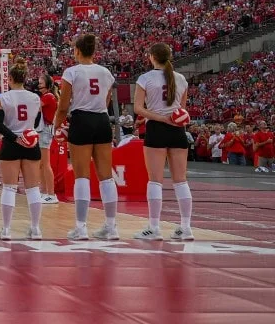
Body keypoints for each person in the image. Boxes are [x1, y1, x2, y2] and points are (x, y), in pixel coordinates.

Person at [53, 34, 118, 241]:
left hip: (81, 119)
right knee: (106, 176)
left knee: (82, 176)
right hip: (102, 120)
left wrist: (57, 125)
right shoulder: (105, 72)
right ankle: (111, 226)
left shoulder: (71, 72)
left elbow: (63, 106)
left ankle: (81, 227)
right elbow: (107, 99)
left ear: (78, 51)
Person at [133, 43, 194, 241]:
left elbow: (138, 108)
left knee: (155, 180)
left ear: (152, 56)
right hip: (177, 130)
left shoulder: (146, 78)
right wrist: (171, 117)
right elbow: (181, 110)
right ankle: (186, 227)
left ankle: (154, 227)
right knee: (181, 180)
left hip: (156, 128)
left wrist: (159, 117)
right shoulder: (181, 78)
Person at [0, 58, 44, 241]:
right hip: (31, 143)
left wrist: (15, 137)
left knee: (9, 188)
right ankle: (36, 229)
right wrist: (26, 134)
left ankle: (6, 229)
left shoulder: (3, 98)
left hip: (12, 143)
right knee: (33, 189)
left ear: (10, 79)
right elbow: (36, 122)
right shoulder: (35, 98)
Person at [37, 72, 60, 204]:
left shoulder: (48, 97)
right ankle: (44, 191)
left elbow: (35, 108)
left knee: (45, 164)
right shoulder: (47, 96)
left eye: (41, 82)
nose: (38, 85)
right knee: (42, 164)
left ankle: (51, 194)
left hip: (45, 130)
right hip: (43, 130)